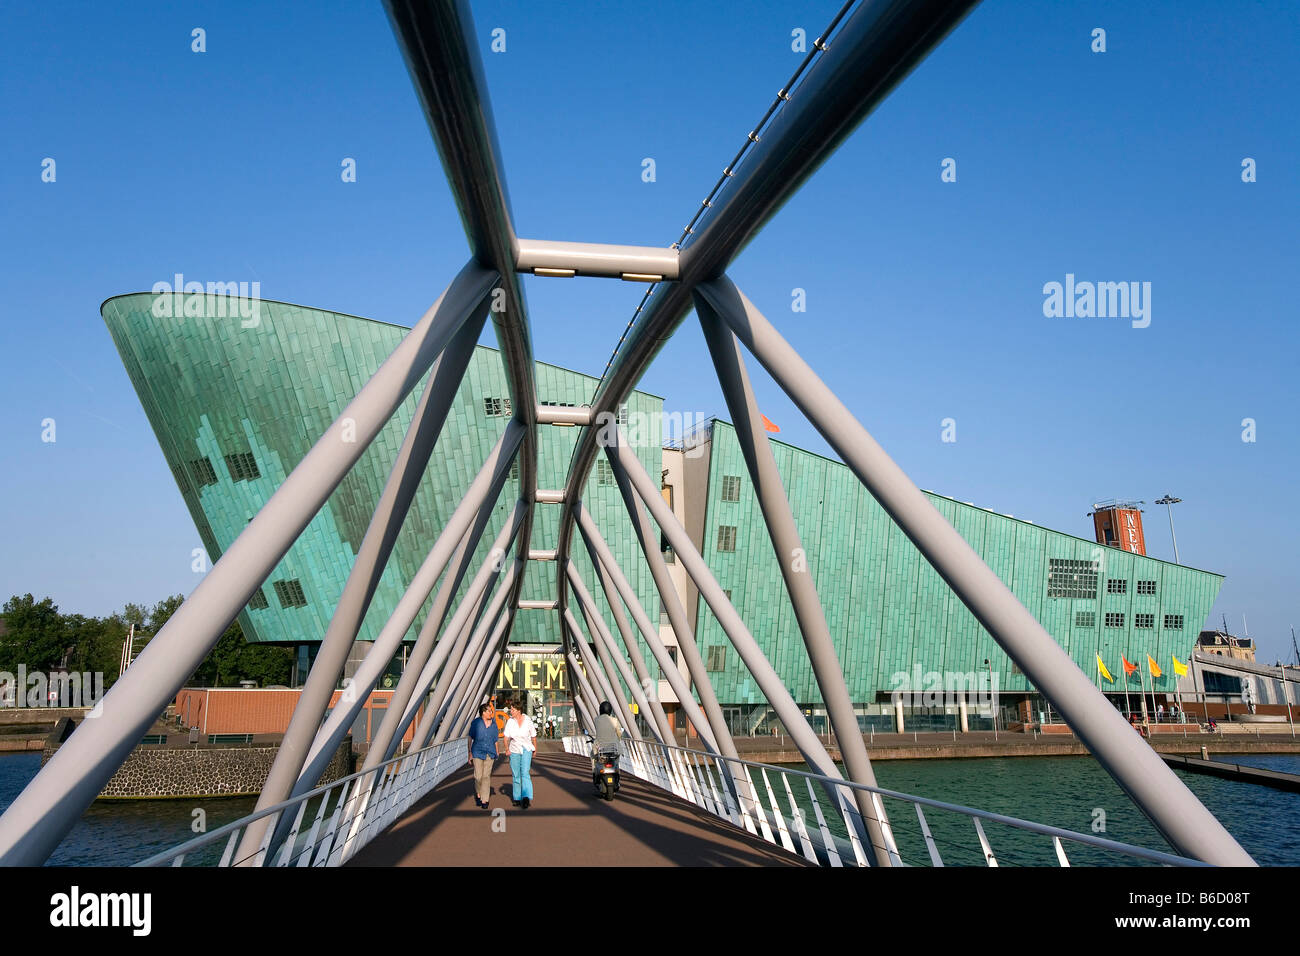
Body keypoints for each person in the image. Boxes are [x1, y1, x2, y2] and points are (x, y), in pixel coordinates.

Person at [503, 700, 537, 809]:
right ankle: (517, 797)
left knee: (525, 772)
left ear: (518, 710)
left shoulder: (528, 721)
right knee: (516, 774)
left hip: (526, 748)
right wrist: (507, 749)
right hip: (514, 750)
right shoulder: (510, 722)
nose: (511, 711)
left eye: (512, 709)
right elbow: (506, 737)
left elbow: (533, 736)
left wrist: (535, 749)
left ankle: (526, 797)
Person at [467, 702, 499, 809]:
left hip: (490, 752)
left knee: (486, 776)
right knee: (478, 776)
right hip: (477, 751)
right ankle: (479, 792)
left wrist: (497, 751)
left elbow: (495, 740)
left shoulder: (494, 724)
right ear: (483, 712)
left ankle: (485, 800)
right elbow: (470, 737)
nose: (491, 713)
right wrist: (469, 752)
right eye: (489, 711)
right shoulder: (476, 723)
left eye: (491, 711)